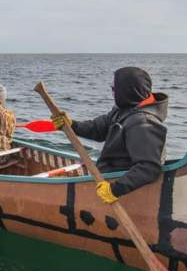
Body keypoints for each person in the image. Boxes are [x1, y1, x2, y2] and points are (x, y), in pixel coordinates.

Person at [51, 67, 168, 204]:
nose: (112, 92)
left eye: (114, 89)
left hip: (119, 187)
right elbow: (97, 129)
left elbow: (149, 167)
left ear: (128, 91)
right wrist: (72, 125)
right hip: (106, 179)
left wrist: (114, 190)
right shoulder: (124, 110)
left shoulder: (142, 123)